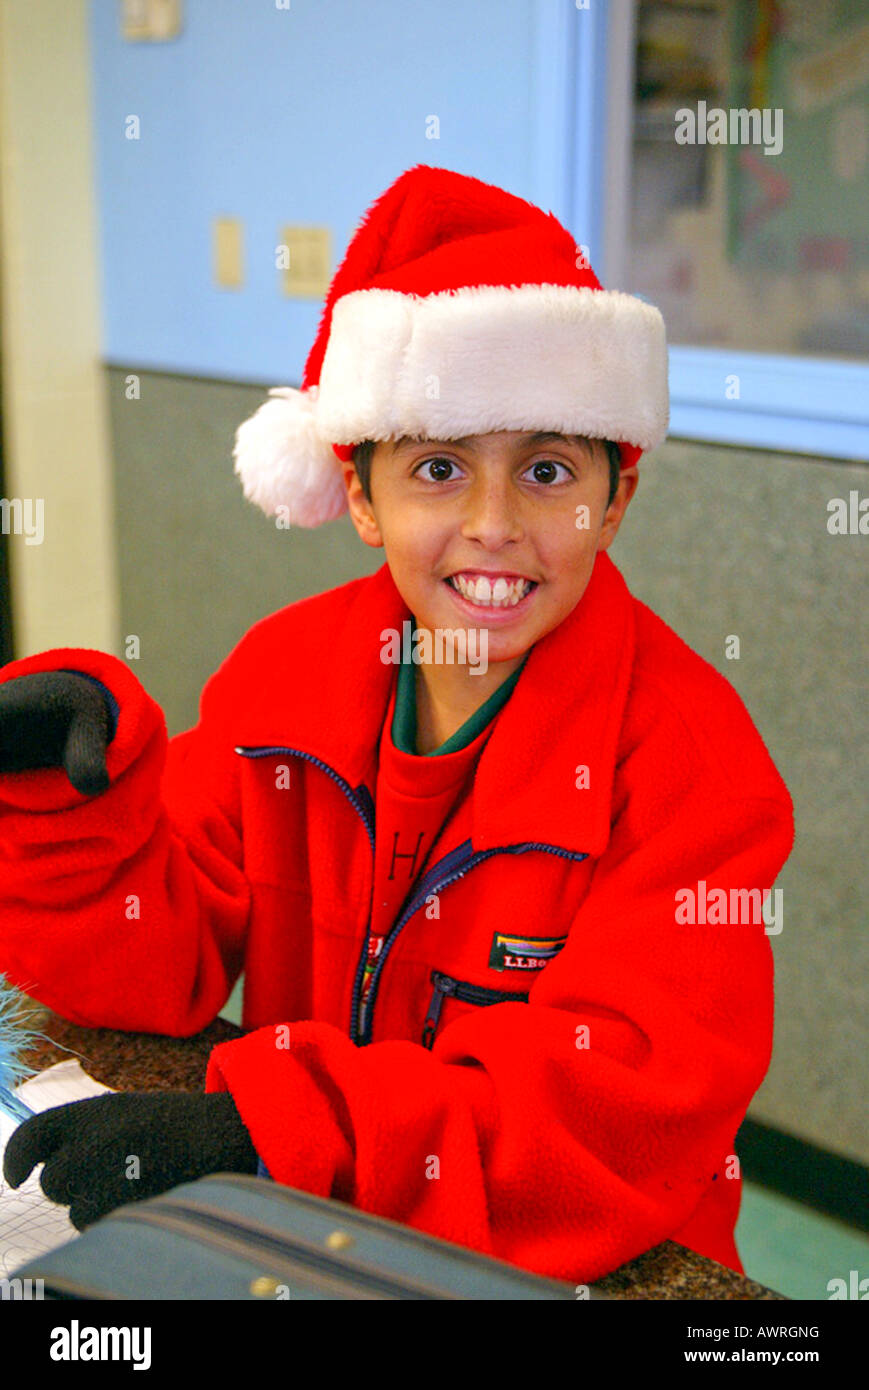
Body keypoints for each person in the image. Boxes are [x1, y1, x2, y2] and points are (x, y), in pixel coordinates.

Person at [0, 165, 793, 1285]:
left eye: (548, 471)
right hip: (324, 1230)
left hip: (561, 1260)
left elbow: (611, 1120)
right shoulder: (289, 674)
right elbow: (151, 965)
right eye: (435, 468)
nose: (491, 525)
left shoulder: (690, 767)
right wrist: (71, 808)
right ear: (361, 498)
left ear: (614, 499)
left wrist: (272, 1135)